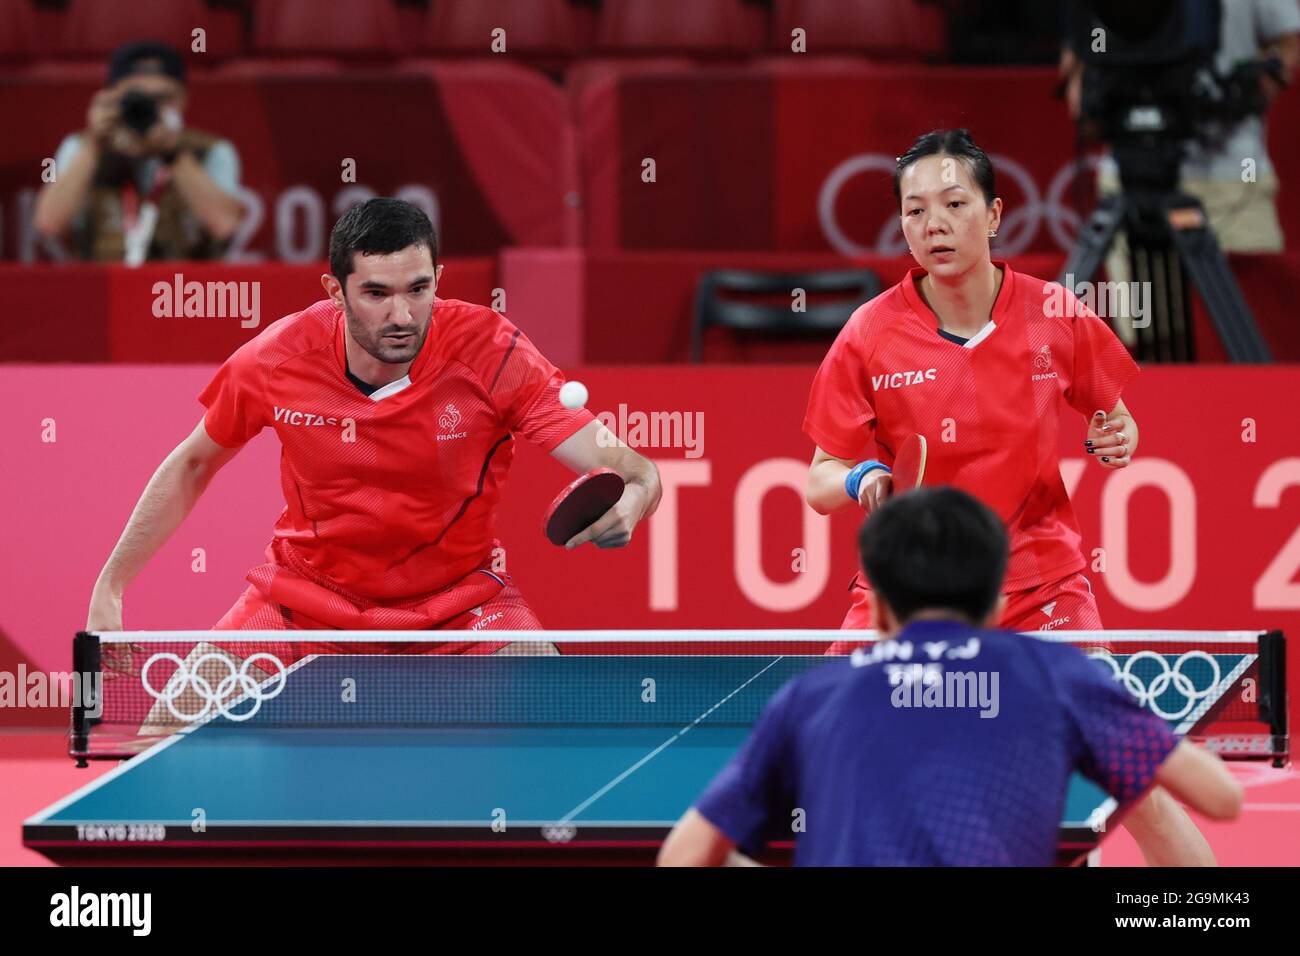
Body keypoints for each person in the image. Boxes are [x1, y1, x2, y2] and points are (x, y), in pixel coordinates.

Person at [800, 129, 1216, 865]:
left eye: (954, 204)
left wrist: (1117, 433)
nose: (934, 224)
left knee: (1132, 774)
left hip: (1038, 585)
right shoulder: (870, 334)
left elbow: (1113, 414)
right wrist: (864, 479)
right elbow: (820, 479)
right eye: (915, 210)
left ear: (993, 215)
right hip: (906, 596)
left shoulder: (1055, 312)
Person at [85, 198, 661, 649]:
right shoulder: (278, 358)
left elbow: (631, 468)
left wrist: (636, 496)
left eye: (419, 289)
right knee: (162, 737)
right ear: (335, 291)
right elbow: (192, 464)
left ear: (438, 277)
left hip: (462, 609)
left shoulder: (493, 352)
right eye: (376, 293)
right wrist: (111, 584)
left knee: (553, 721)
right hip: (303, 604)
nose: (401, 315)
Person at [658, 487, 1243, 866]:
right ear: (996, 610)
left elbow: (683, 856)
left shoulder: (811, 697)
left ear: (876, 610)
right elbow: (1221, 796)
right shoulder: (1063, 677)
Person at [1061, 0, 1300, 344]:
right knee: (1147, 344)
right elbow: (1080, 44)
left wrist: (1248, 90)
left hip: (1234, 182)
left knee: (1258, 334)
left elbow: (1289, 39)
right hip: (1130, 182)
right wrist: (1087, 91)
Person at [33, 40, 244, 263]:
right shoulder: (81, 146)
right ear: (111, 96)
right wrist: (94, 145)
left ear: (183, 99)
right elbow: (48, 224)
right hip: (104, 279)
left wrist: (172, 154)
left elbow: (226, 225)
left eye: (162, 99)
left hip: (182, 282)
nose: (150, 109)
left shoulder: (211, 150)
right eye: (137, 98)